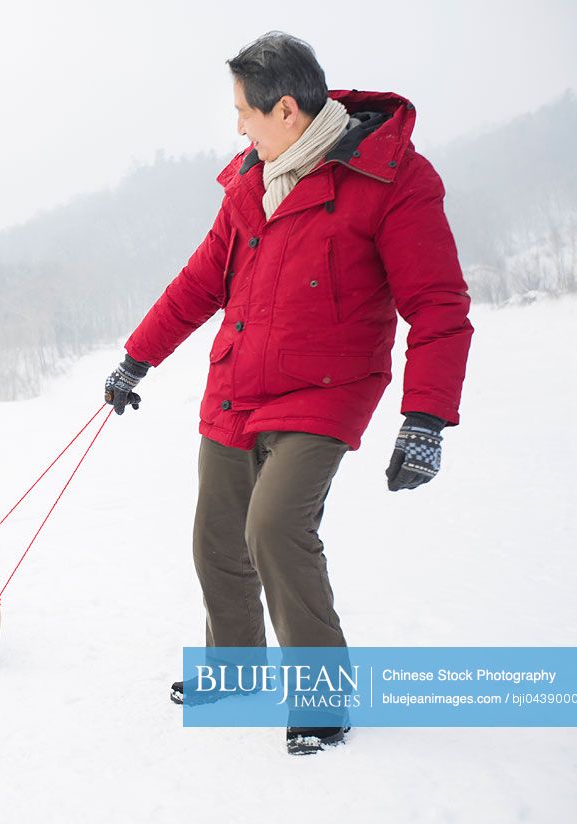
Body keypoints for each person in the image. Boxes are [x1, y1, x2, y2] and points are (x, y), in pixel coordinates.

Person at [103, 32, 473, 754]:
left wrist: (425, 417)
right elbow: (198, 282)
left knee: (271, 527)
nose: (236, 126)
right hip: (237, 385)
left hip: (325, 391)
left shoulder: (392, 178)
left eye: (243, 111)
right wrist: (134, 360)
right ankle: (235, 671)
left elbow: (437, 303)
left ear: (285, 109)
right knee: (216, 536)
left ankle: (320, 692)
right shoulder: (250, 179)